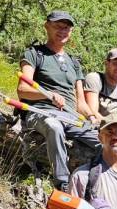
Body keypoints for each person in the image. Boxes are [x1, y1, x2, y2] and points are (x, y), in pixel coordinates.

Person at [18, 10, 98, 193]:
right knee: (54, 127)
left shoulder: (74, 63)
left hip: (71, 116)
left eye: (67, 27)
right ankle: (62, 183)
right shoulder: (34, 54)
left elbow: (80, 103)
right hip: (42, 112)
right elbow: (23, 90)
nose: (62, 31)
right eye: (58, 26)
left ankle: (96, 186)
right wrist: (48, 95)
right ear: (47, 26)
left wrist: (93, 118)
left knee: (105, 142)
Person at [82, 47, 117, 133]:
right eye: (116, 63)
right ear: (106, 63)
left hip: (113, 129)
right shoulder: (94, 79)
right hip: (91, 126)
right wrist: (115, 126)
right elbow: (92, 112)